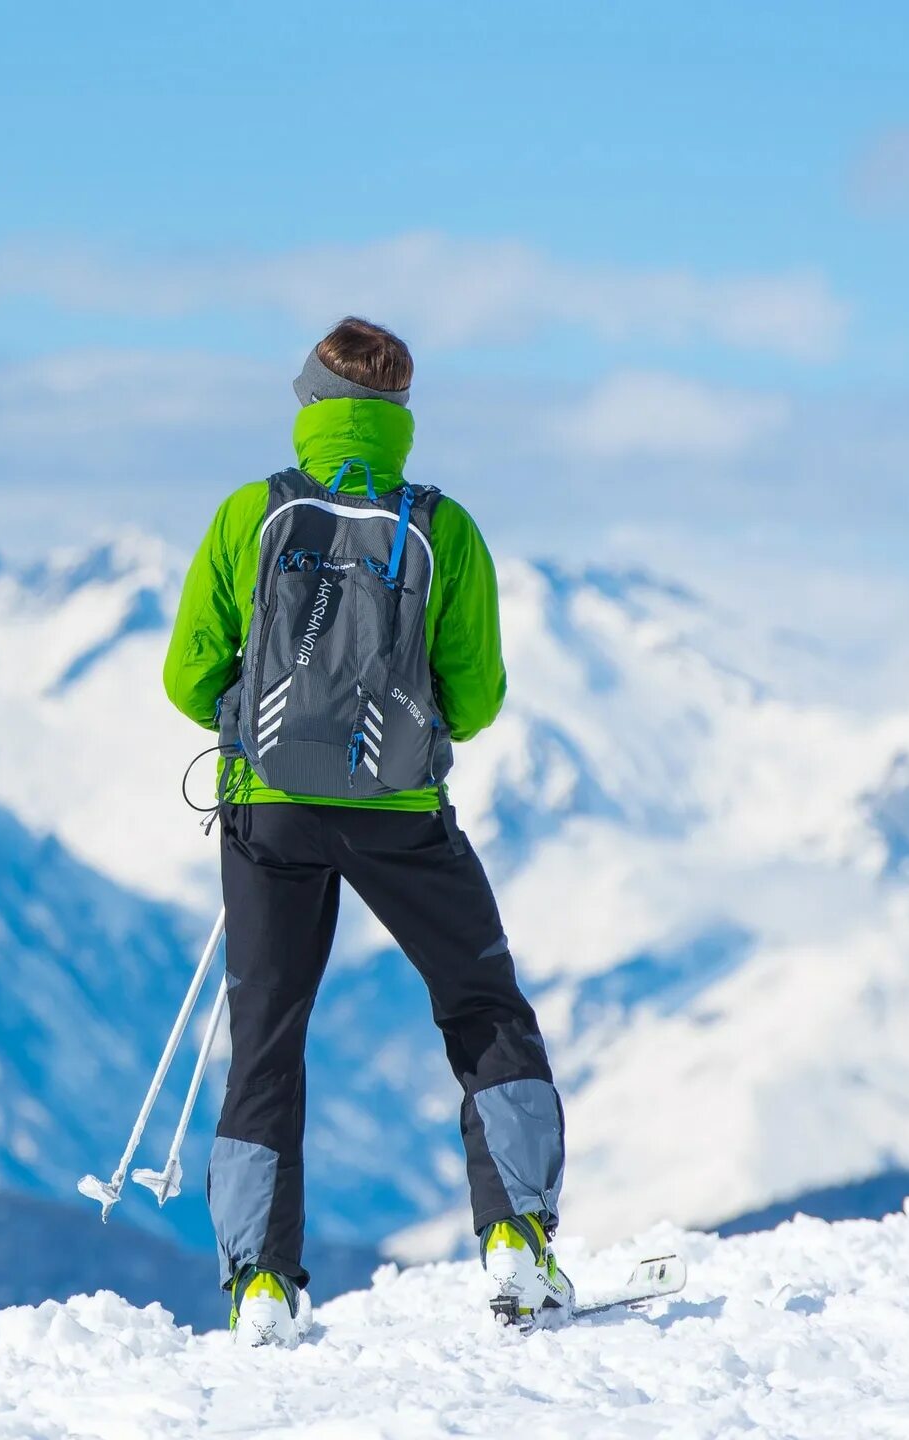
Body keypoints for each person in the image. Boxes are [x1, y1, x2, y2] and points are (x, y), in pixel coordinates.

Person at [160, 317, 570, 1346]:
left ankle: (260, 1283)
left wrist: (258, 722)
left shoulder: (248, 516)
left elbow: (184, 677)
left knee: (266, 1035)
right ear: (400, 414)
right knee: (480, 1005)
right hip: (398, 813)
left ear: (308, 403)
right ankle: (516, 1234)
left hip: (269, 808)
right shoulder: (443, 526)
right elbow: (474, 701)